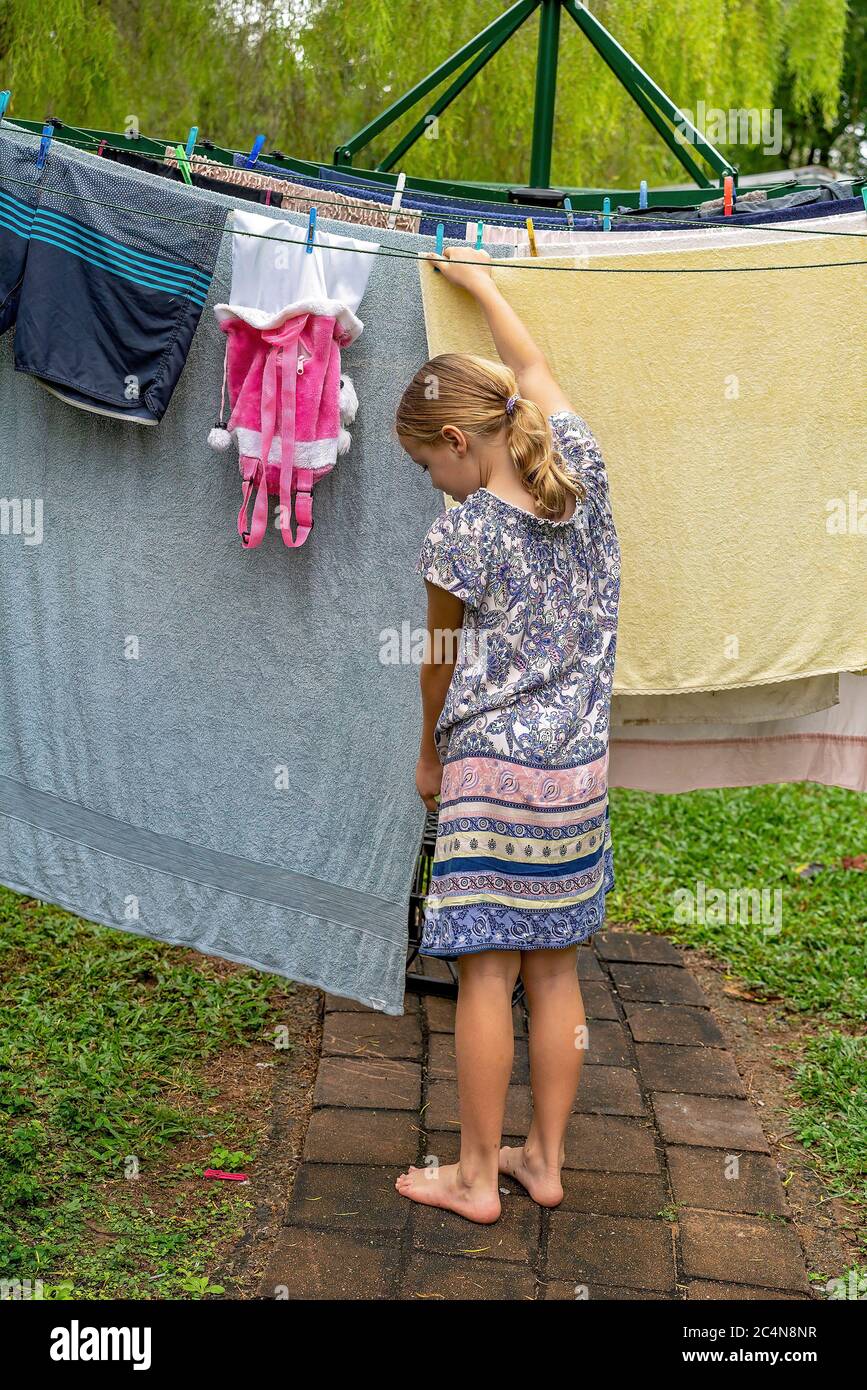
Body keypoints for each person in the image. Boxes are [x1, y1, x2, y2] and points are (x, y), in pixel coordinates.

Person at [393, 247, 621, 1223]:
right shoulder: (584, 463)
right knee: (556, 965)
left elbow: (437, 659)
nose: (435, 484)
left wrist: (429, 751)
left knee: (485, 969)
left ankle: (477, 1176)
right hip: (579, 771)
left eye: (430, 466)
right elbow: (530, 372)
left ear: (455, 439)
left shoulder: (463, 533)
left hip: (490, 771)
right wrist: (485, 288)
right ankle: (547, 1160)